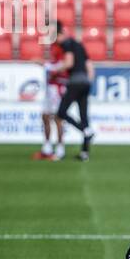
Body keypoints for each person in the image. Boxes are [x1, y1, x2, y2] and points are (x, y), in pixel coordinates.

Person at [54, 26, 95, 161]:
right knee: (84, 116)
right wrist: (87, 81)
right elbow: (89, 66)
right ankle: (85, 153)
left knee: (61, 112)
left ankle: (85, 131)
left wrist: (54, 69)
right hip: (85, 82)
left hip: (75, 82)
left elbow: (69, 63)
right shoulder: (79, 44)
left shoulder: (67, 44)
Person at [33, 20, 70, 161]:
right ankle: (47, 147)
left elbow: (63, 64)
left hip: (58, 85)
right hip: (50, 84)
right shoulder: (53, 46)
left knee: (58, 117)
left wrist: (45, 65)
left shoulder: (63, 46)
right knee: (45, 115)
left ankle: (60, 148)